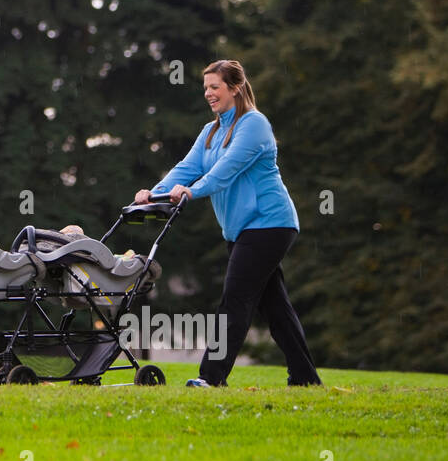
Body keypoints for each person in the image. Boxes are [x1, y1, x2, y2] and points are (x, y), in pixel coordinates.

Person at [134, 60, 321, 387]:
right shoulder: (211, 132)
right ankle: (305, 378)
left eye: (214, 86)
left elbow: (226, 171)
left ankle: (211, 378)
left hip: (269, 224)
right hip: (241, 230)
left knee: (235, 300)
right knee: (274, 307)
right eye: (205, 87)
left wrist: (191, 192)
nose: (208, 93)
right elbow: (186, 166)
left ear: (234, 87)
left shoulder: (254, 125)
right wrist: (155, 193)